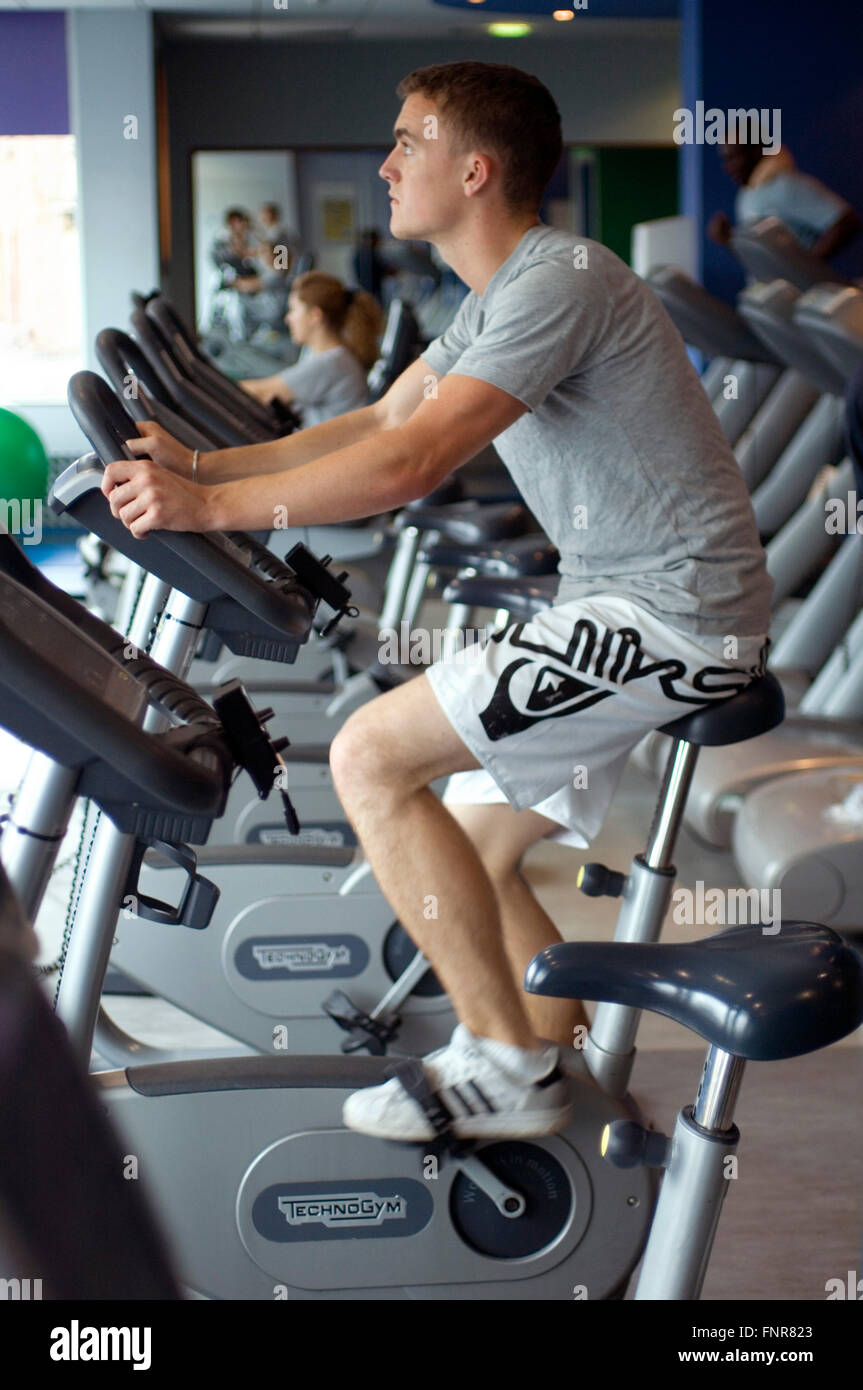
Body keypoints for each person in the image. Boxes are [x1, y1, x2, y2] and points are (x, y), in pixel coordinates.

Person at [100, 61, 772, 1144]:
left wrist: (206, 512)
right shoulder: (499, 292)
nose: (385, 164)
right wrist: (204, 467)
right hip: (628, 604)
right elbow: (373, 422)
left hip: (671, 617)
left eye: (407, 141)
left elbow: (407, 463)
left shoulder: (557, 281)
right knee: (466, 836)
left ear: (474, 167)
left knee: (371, 756)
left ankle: (503, 1066)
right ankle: (540, 1051)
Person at [240, 272, 382, 427]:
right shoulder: (322, 354)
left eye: (294, 310)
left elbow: (263, 392)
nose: (288, 318)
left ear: (314, 316)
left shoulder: (332, 362)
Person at [708, 141, 861, 260]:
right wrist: (728, 242)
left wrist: (805, 269)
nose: (727, 167)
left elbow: (847, 221)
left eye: (733, 158)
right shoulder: (746, 195)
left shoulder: (787, 185)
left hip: (797, 296)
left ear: (755, 152)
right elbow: (760, 261)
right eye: (725, 160)